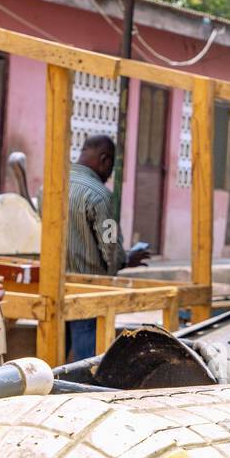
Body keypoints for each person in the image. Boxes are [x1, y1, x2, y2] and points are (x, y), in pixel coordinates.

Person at [65, 134, 150, 361]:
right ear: (104, 159)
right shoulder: (101, 196)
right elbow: (110, 247)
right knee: (87, 363)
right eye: (111, 166)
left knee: (54, 357)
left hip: (55, 286)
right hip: (89, 289)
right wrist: (126, 259)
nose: (110, 173)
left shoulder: (51, 186)